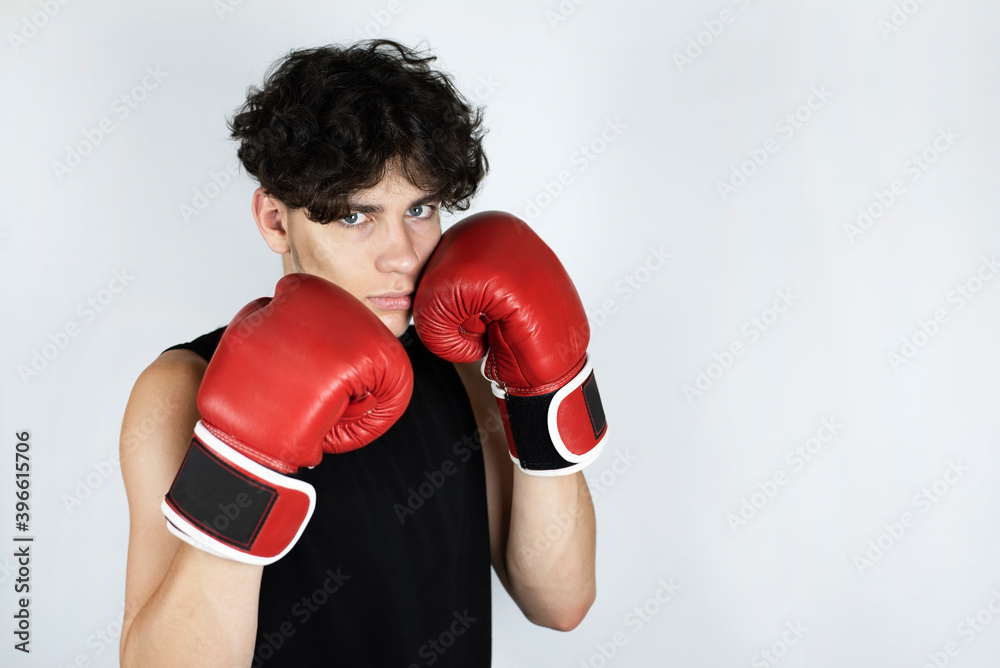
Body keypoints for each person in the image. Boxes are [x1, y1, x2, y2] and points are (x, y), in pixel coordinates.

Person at [118, 39, 605, 667]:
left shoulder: (464, 364)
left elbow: (560, 603)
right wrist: (246, 461)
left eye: (420, 209)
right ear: (274, 219)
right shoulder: (181, 388)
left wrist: (546, 390)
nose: (401, 255)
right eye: (356, 216)